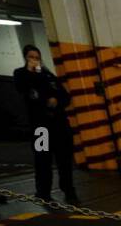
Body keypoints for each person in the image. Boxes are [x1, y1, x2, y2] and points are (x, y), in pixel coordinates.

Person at [12, 45, 78, 205]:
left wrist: (56, 101)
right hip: (40, 127)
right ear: (26, 58)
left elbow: (65, 96)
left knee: (64, 160)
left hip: (58, 125)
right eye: (31, 57)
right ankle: (43, 193)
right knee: (42, 160)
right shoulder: (21, 74)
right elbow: (23, 88)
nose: (35, 60)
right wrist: (32, 71)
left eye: (37, 57)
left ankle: (69, 191)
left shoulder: (49, 75)